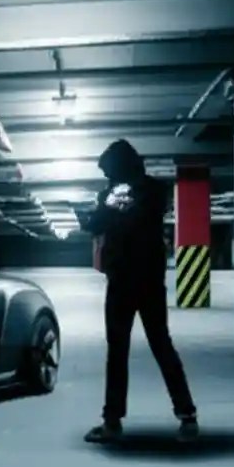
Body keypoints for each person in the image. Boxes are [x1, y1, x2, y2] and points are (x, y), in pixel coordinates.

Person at [80, 139, 199, 443]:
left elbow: (112, 220)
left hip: (133, 279)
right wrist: (96, 215)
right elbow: (100, 224)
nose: (108, 179)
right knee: (146, 348)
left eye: (109, 172)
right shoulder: (140, 190)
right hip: (137, 280)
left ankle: (116, 422)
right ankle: (182, 416)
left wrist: (105, 210)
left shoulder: (142, 191)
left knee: (133, 349)